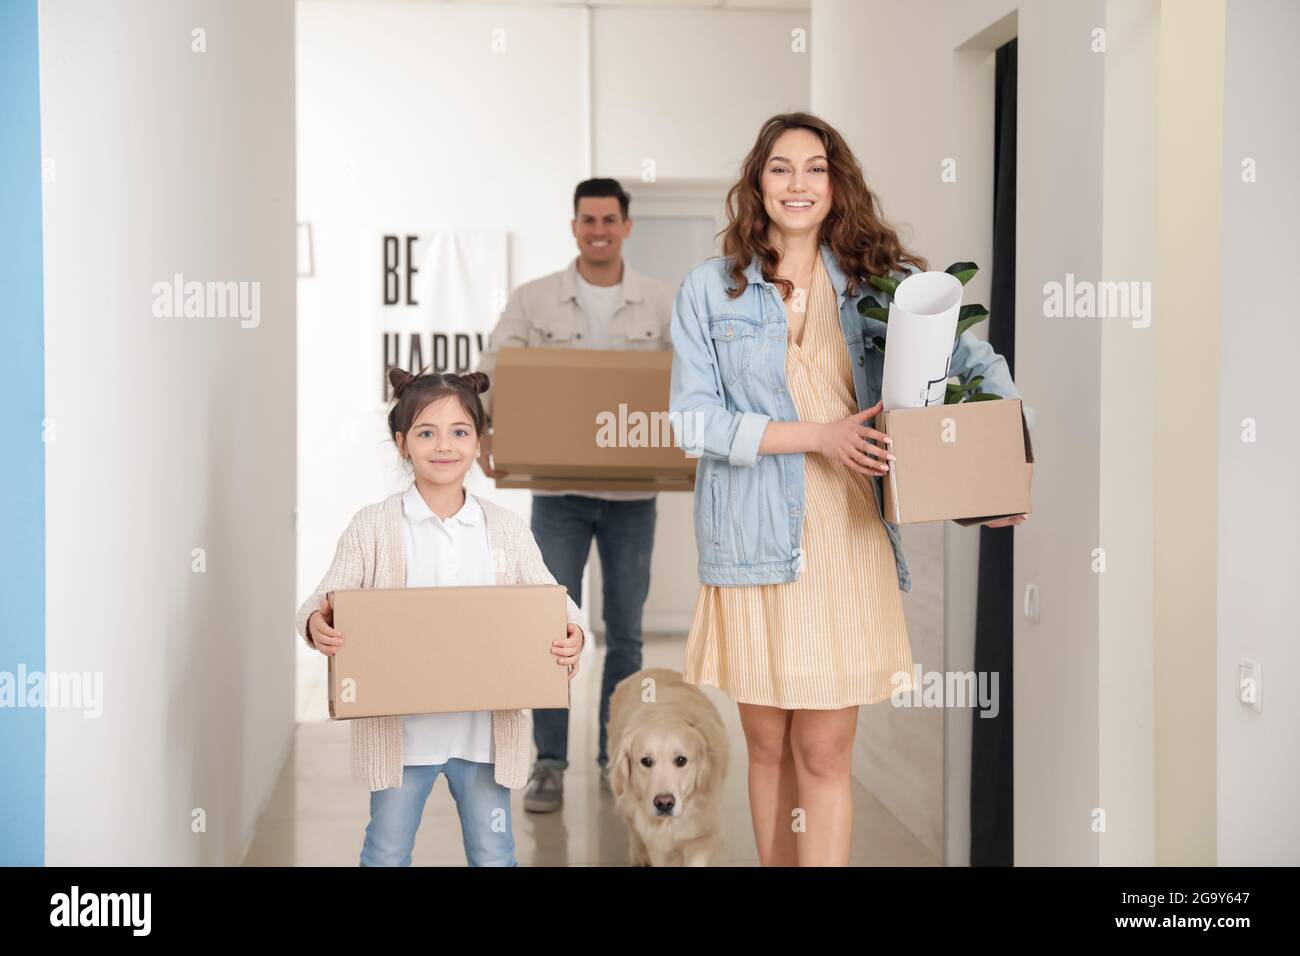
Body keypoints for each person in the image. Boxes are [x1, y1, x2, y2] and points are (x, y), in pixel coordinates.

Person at [668, 112, 1035, 866]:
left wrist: (1008, 467)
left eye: (814, 168)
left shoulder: (885, 285)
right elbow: (693, 422)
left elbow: (977, 366)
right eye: (780, 167)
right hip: (751, 539)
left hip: (847, 538)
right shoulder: (711, 289)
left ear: (837, 184)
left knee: (826, 754)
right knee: (767, 748)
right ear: (756, 183)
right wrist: (819, 436)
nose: (797, 183)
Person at [295, 367, 585, 865]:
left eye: (460, 432)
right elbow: (321, 599)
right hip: (402, 739)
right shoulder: (373, 528)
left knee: (494, 853)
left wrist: (573, 632)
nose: (444, 446)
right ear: (402, 443)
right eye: (427, 433)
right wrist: (314, 624)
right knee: (385, 852)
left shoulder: (505, 529)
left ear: (479, 441)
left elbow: (553, 601)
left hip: (483, 737)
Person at [476, 178, 675, 812]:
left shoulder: (660, 302)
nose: (598, 229)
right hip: (557, 493)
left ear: (626, 226)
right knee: (549, 629)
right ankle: (551, 763)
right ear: (573, 225)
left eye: (609, 219)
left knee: (625, 636)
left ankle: (616, 761)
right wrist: (480, 425)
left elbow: (691, 380)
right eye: (588, 219)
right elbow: (493, 365)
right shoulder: (534, 300)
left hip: (632, 496)